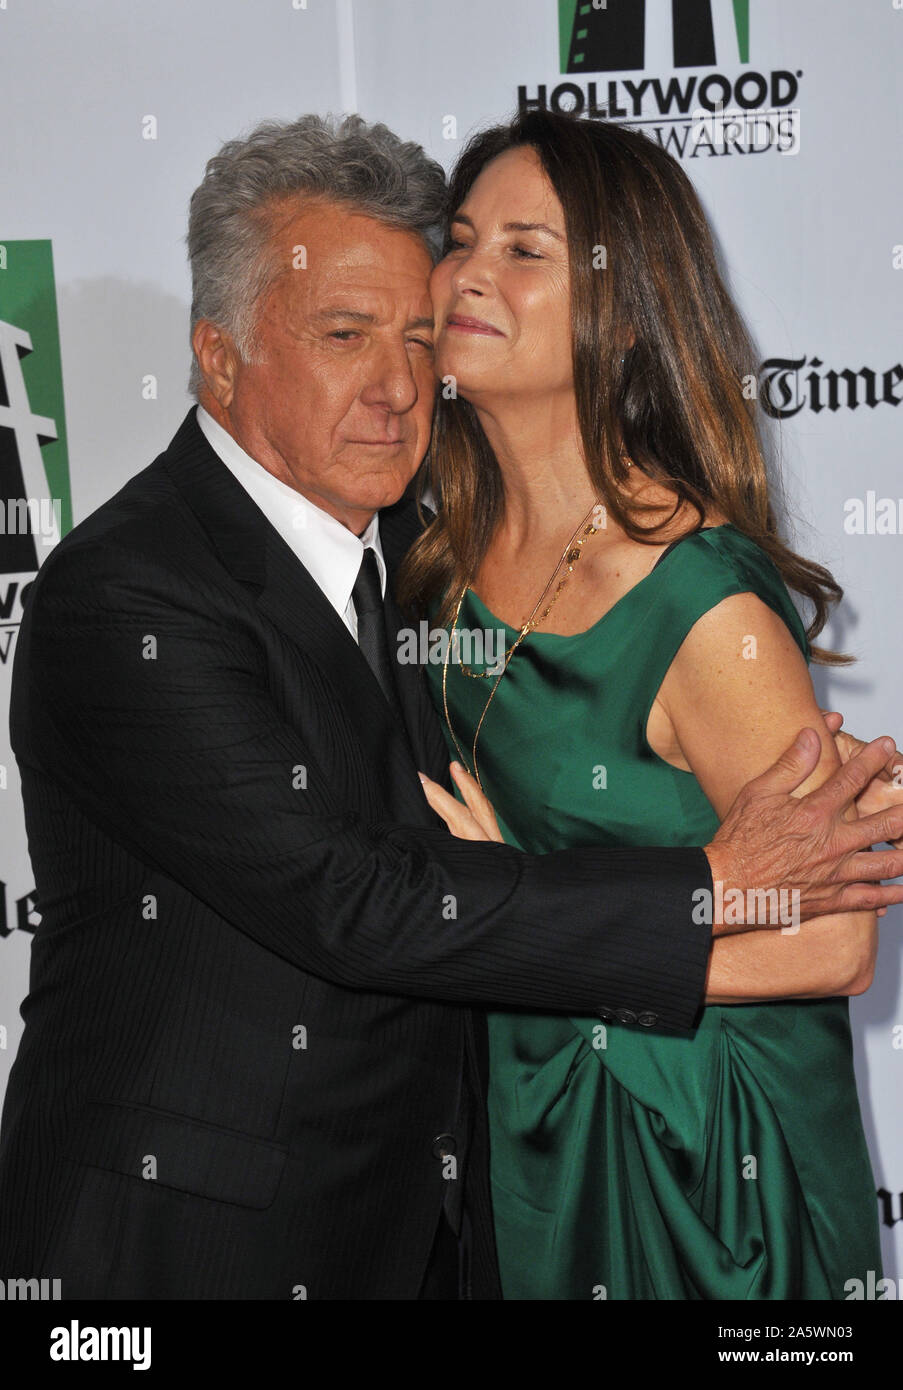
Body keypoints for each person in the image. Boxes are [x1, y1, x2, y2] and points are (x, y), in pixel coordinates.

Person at [1, 115, 901, 1303]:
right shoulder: (134, 595)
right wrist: (710, 886)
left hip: (632, 1182)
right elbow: (355, 904)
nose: (394, 381)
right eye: (343, 335)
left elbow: (832, 925)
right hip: (191, 1251)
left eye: (415, 332)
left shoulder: (438, 557)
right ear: (216, 359)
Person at [409, 110, 897, 1299]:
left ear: (619, 308)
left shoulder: (701, 605)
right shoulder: (435, 565)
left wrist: (523, 936)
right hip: (532, 1116)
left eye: (526, 250)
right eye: (461, 237)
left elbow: (832, 938)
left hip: (710, 1164)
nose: (468, 273)